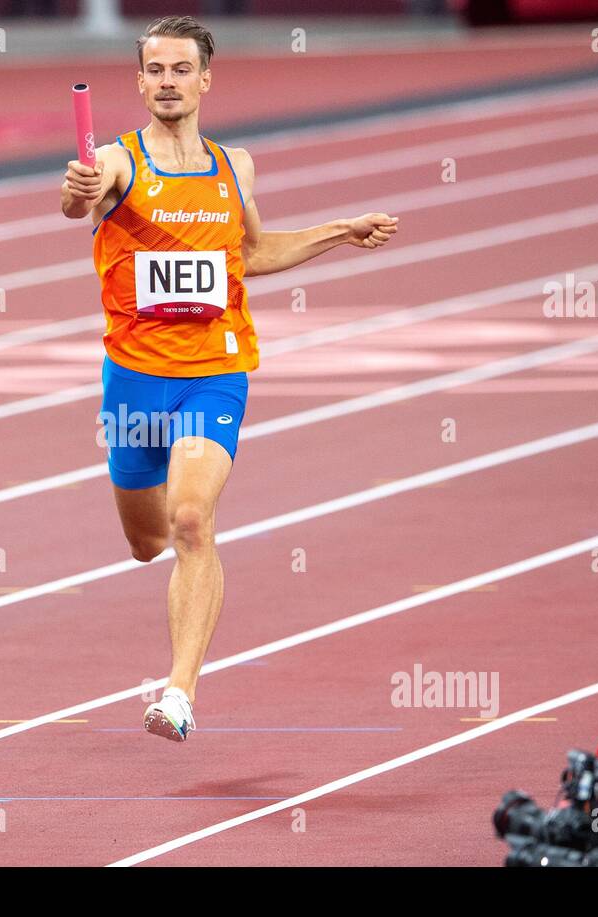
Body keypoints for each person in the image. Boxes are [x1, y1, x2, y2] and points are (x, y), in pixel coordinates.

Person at [60, 15, 399, 742]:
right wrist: (77, 189)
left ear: (205, 80)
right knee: (146, 541)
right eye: (155, 70)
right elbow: (78, 200)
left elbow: (253, 253)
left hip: (213, 373)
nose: (168, 82)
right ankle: (157, 559)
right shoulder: (117, 163)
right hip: (133, 383)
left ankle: (178, 693)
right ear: (140, 81)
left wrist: (339, 231)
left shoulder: (232, 165)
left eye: (182, 70)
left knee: (190, 520)